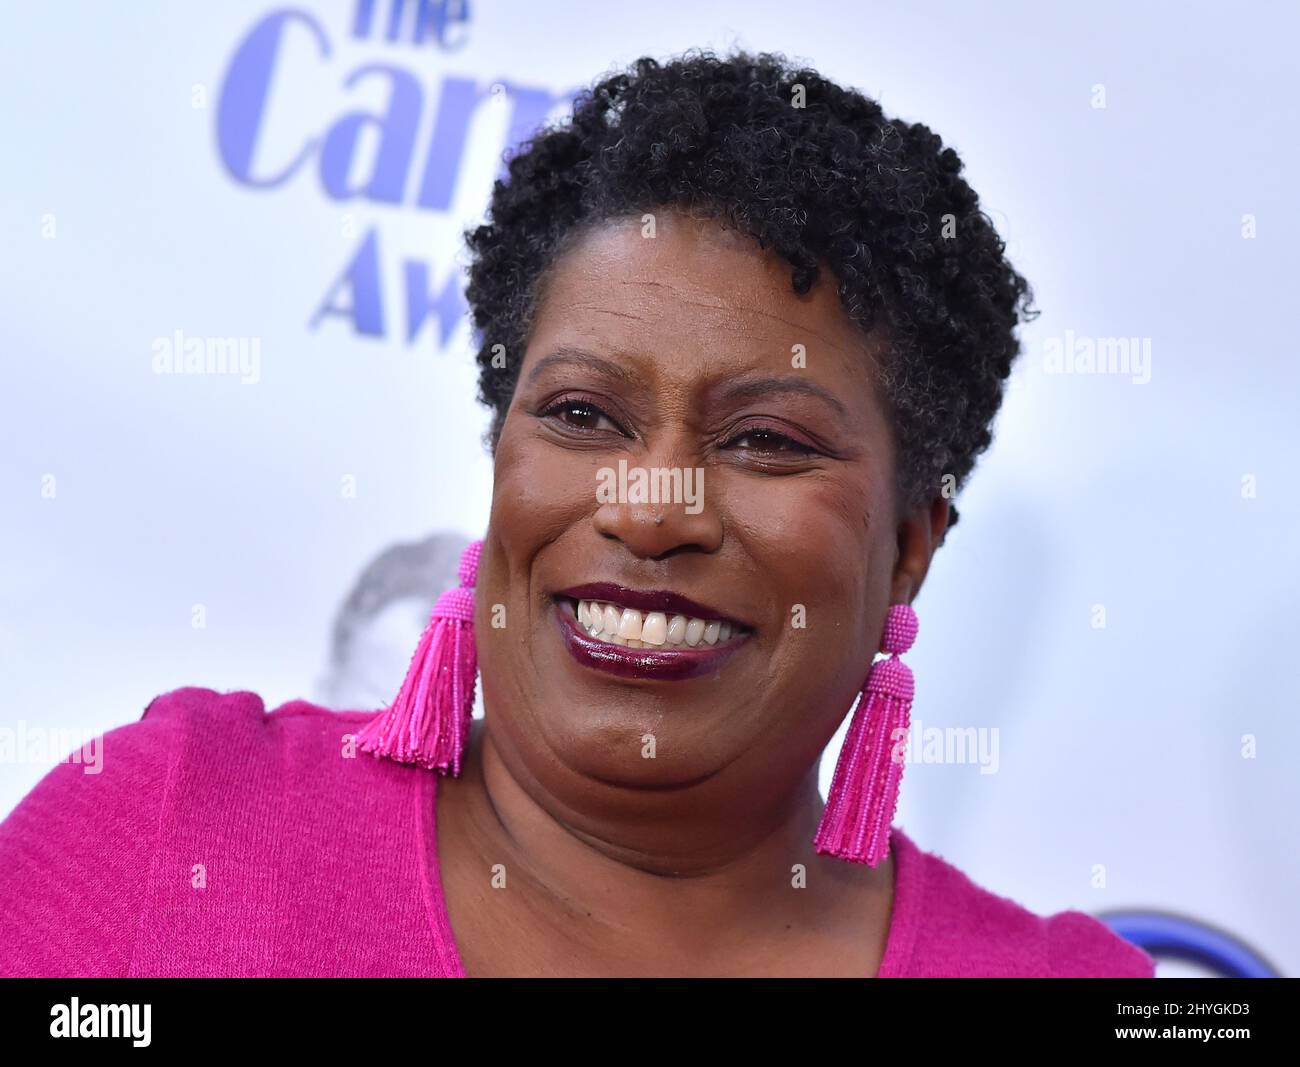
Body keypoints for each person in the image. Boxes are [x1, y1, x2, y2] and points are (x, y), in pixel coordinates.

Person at [0, 49, 1154, 978]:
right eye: (585, 415)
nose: (650, 512)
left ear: (908, 547)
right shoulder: (167, 830)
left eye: (765, 439)